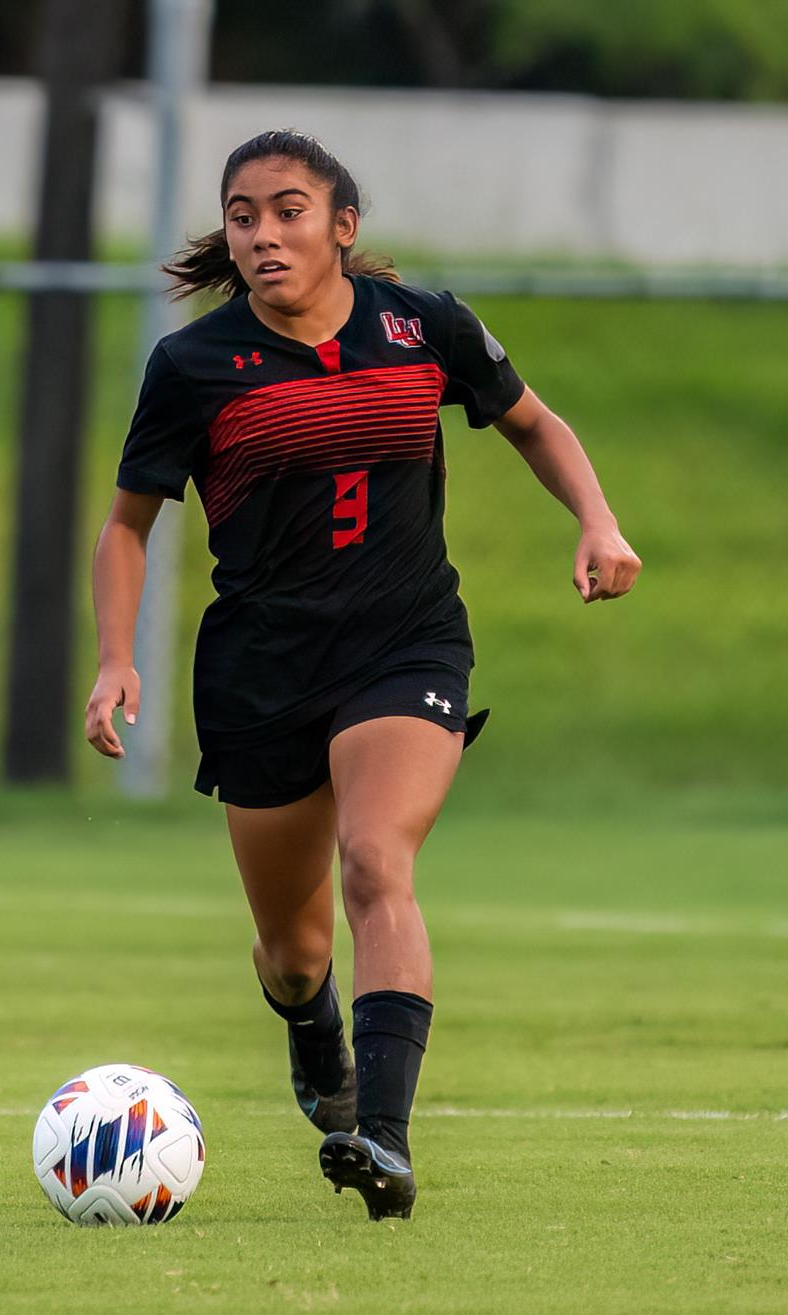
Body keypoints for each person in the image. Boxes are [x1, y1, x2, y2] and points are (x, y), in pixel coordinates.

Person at [83, 130, 640, 1220]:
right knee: (292, 952)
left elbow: (532, 422)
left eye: (286, 210)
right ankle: (309, 1028)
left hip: (404, 643)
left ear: (343, 227)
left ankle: (380, 1140)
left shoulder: (421, 326)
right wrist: (114, 658)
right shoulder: (192, 365)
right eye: (240, 215)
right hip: (260, 671)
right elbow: (125, 527)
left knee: (375, 860)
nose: (260, 234)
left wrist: (596, 518)